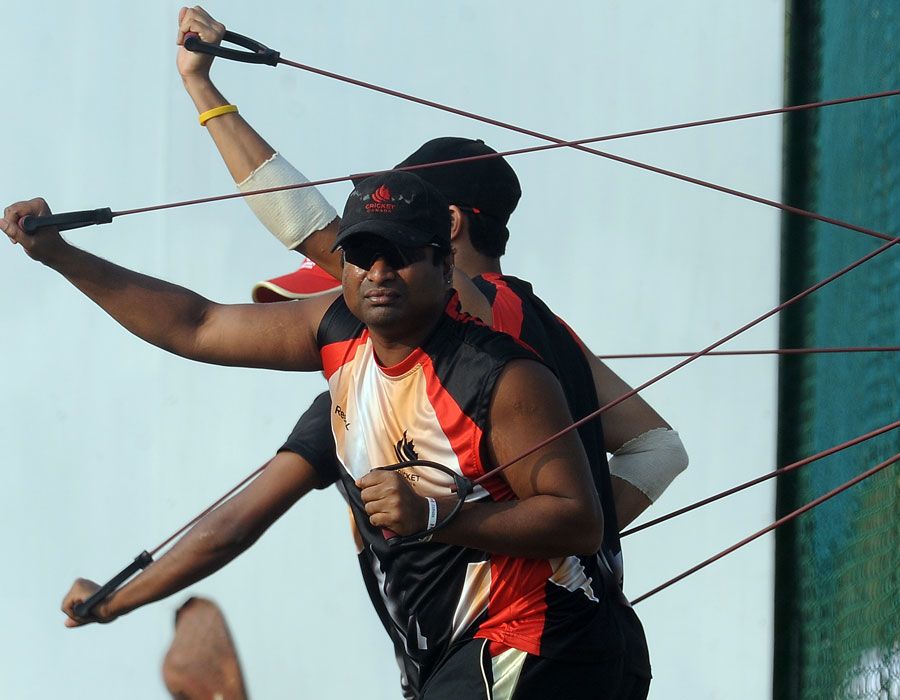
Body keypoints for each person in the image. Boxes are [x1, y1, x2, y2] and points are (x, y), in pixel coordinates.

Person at [4, 171, 630, 698]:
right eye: (362, 256)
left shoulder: (501, 375)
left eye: (401, 255)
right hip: (458, 664)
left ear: (444, 267)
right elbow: (195, 327)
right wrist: (59, 253)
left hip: (545, 642)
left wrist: (438, 517)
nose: (378, 273)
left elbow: (580, 520)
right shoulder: (342, 357)